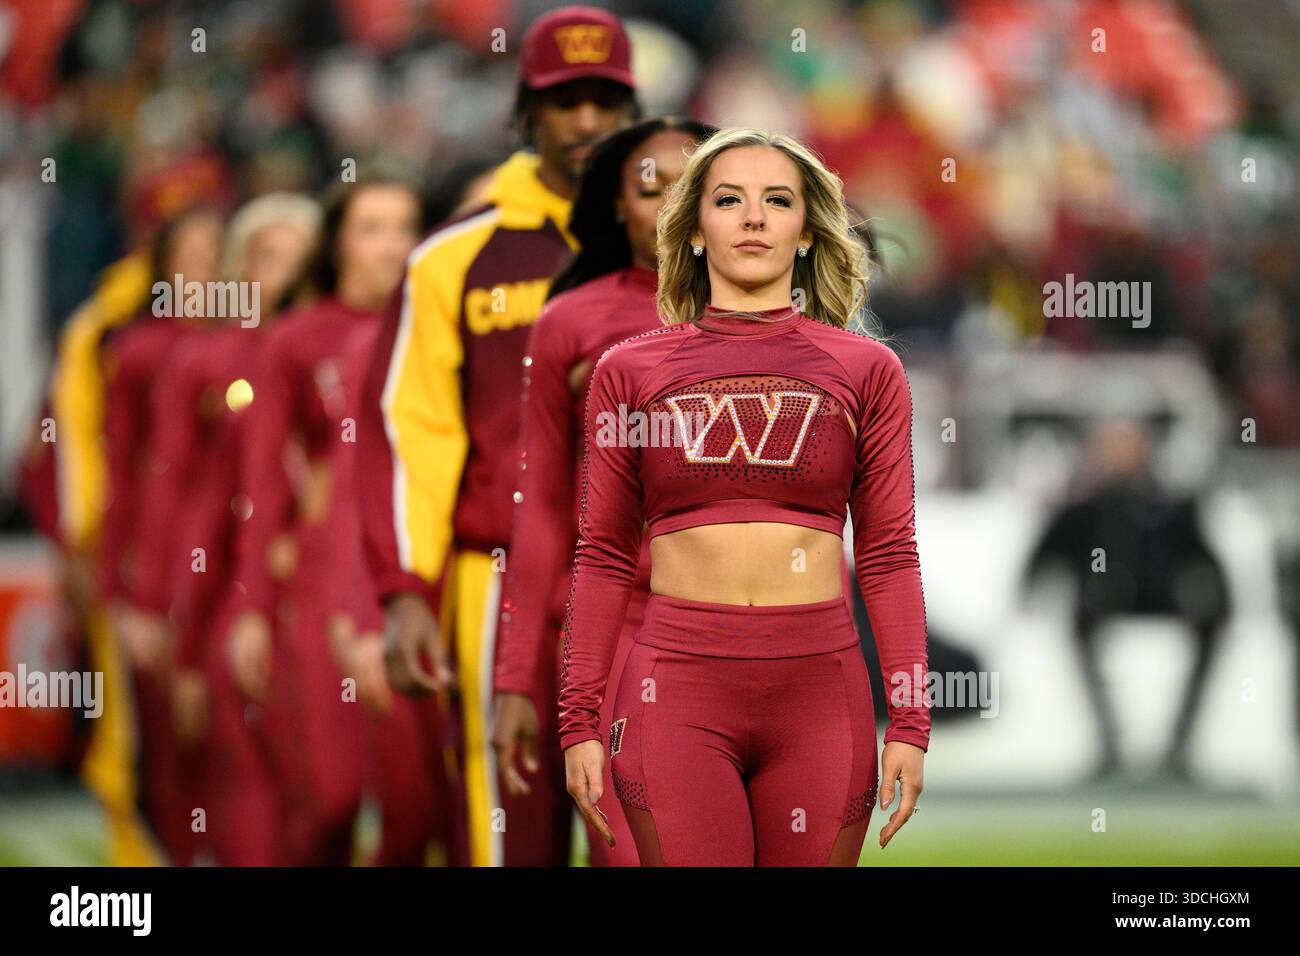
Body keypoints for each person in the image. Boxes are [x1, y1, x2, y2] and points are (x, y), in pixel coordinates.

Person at [559, 127, 932, 866]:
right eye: (729, 200)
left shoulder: (870, 370)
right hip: (675, 690)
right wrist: (578, 722)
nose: (754, 217)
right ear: (695, 229)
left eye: (777, 201)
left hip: (823, 693)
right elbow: (602, 553)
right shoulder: (628, 371)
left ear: (805, 229)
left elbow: (888, 555)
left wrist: (912, 722)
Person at [357, 5, 640, 867]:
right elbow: (415, 433)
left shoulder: (679, 252)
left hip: (647, 586)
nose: (586, 120)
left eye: (604, 98)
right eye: (564, 100)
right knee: (504, 835)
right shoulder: (452, 257)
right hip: (496, 581)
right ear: (525, 111)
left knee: (643, 830)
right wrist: (407, 587)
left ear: (634, 113)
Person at [491, 116, 715, 866]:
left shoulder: (790, 319)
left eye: (695, 187)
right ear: (617, 205)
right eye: (651, 189)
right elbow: (545, 512)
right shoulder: (569, 323)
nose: (672, 205)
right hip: (616, 633)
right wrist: (518, 676)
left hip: (752, 634)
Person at [226, 175, 422, 865]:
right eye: (372, 228)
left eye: (404, 227)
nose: (391, 245)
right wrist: (250, 606)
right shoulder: (296, 340)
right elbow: (261, 484)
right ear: (338, 241)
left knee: (417, 803)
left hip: (418, 582)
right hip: (321, 582)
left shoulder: (433, 327)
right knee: (329, 797)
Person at [127, 192, 322, 865]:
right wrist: (158, 604)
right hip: (228, 594)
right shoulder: (204, 363)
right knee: (239, 783)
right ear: (241, 267)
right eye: (269, 256)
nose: (286, 271)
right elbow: (175, 490)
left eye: (301, 255)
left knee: (325, 794)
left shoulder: (351, 351)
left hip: (326, 596)